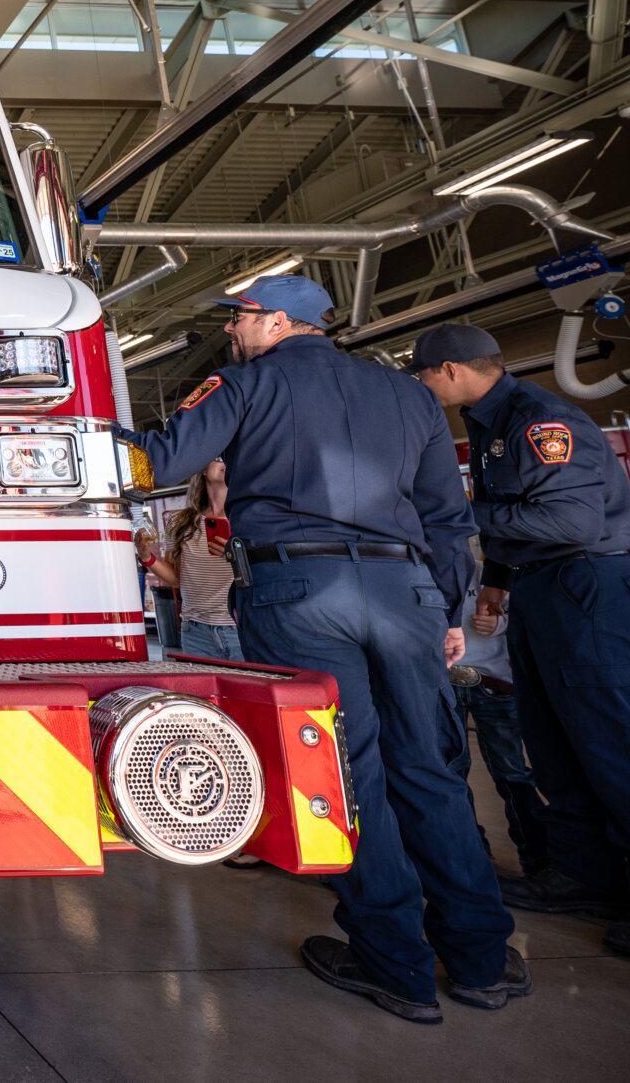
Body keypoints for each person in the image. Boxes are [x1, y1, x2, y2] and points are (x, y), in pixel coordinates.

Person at [117, 275, 521, 1024]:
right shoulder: (409, 395)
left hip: (297, 592)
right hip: (406, 593)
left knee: (346, 772)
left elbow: (160, 463)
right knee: (430, 770)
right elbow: (446, 516)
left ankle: (394, 963)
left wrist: (95, 433)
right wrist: (441, 608)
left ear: (278, 321)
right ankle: (481, 960)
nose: (231, 331)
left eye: (239, 318)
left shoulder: (244, 385)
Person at [412, 321, 630, 960]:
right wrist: (498, 580)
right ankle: (585, 874)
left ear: (450, 370)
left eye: (424, 376)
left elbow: (572, 520)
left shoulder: (538, 420)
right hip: (538, 586)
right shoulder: (489, 421)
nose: (424, 388)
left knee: (610, 737)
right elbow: (523, 509)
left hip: (586, 586)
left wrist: (459, 517)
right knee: (553, 737)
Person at [449, 589, 551, 879]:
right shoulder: (432, 571)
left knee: (512, 772)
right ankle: (473, 853)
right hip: (446, 681)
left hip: (496, 684)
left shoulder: (496, 575)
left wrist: (499, 624)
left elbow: (530, 613)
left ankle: (538, 859)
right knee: (453, 772)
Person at [136, 458, 243, 660]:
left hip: (239, 628)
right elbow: (176, 578)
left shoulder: (246, 519)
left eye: (227, 456)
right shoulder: (178, 522)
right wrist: (147, 557)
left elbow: (265, 571)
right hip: (195, 633)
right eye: (217, 457)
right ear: (203, 470)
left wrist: (237, 556)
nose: (223, 460)